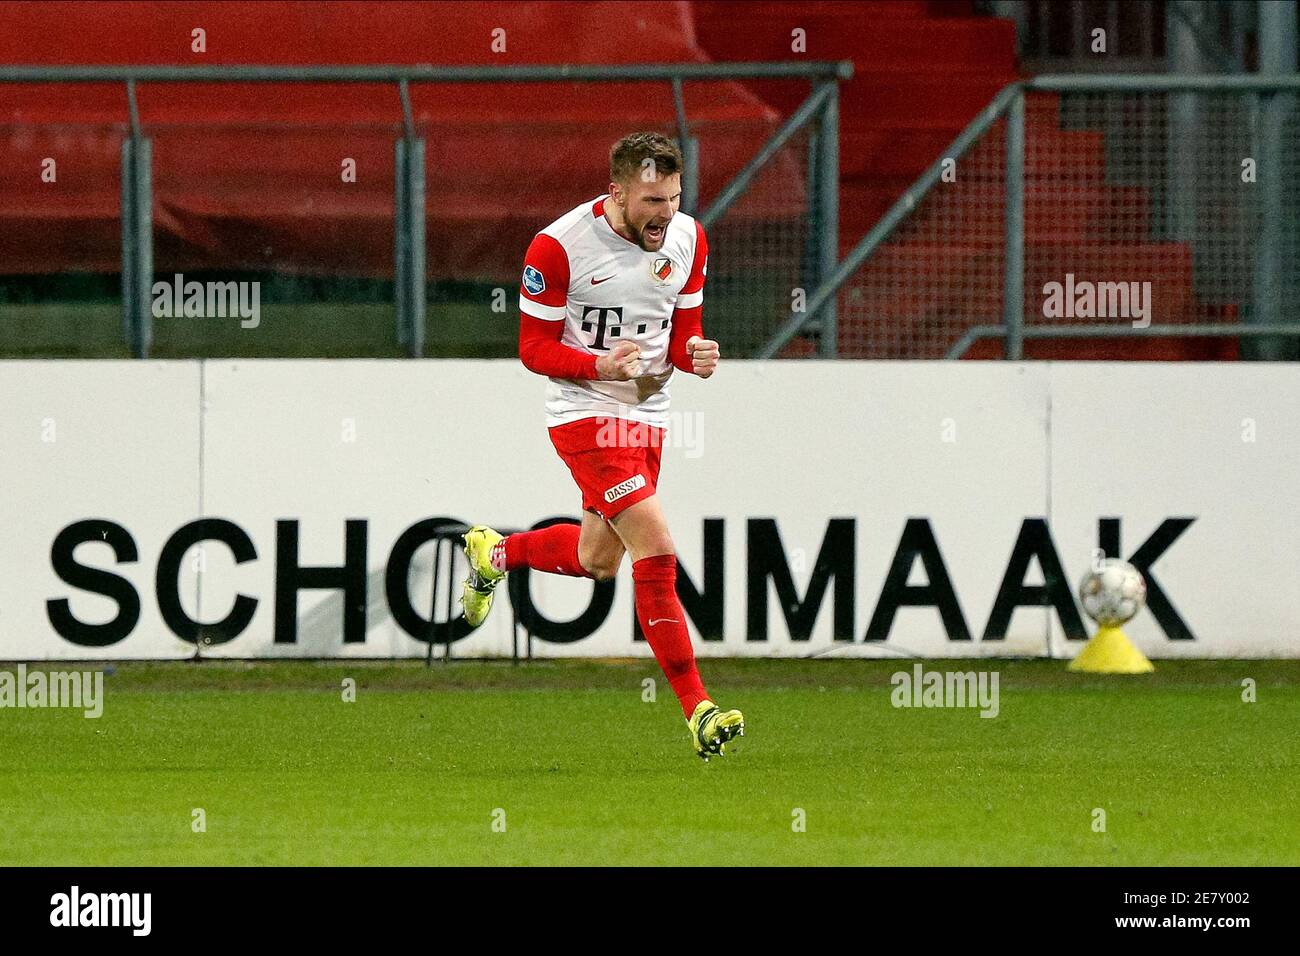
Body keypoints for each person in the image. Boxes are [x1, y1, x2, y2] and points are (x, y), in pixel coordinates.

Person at [460, 131, 744, 761]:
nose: (665, 213)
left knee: (598, 560)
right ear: (616, 193)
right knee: (657, 547)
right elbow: (533, 349)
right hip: (584, 413)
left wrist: (694, 353)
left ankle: (496, 555)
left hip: (648, 414)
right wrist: (598, 369)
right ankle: (699, 710)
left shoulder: (690, 238)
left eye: (673, 197)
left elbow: (680, 333)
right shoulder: (558, 247)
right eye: (651, 200)